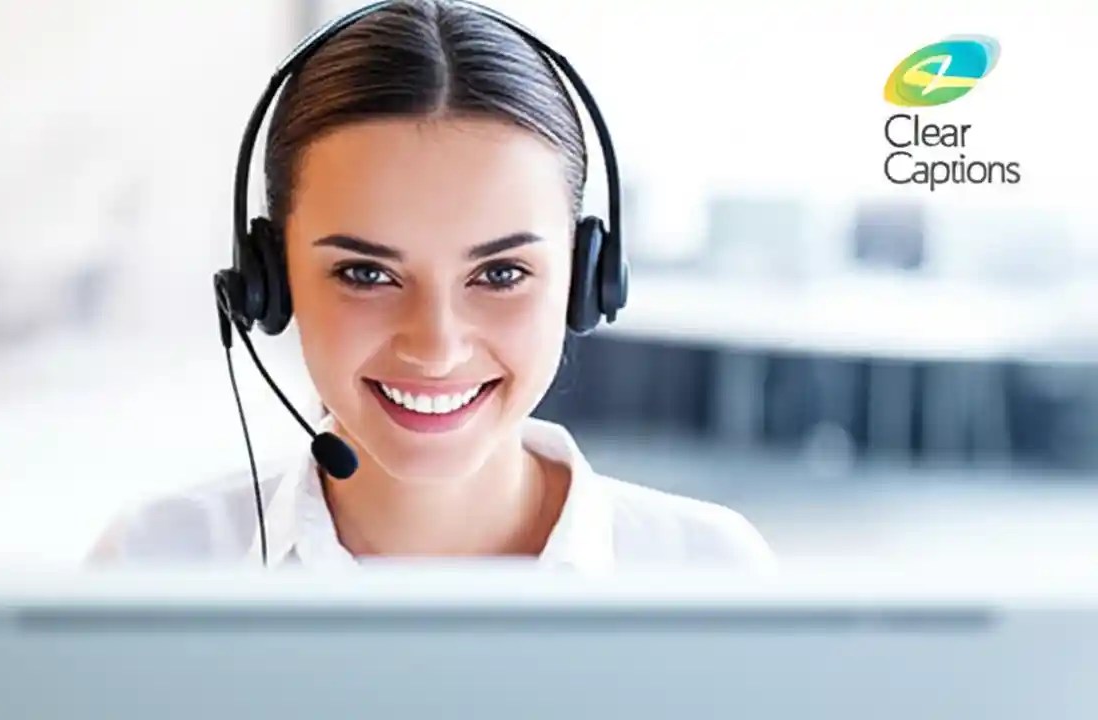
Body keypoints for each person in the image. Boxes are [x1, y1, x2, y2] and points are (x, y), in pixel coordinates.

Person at [89, 0, 773, 572]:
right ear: (270, 279)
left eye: (500, 274)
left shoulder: (710, 573)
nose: (436, 347)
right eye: (366, 274)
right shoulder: (155, 563)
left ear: (586, 278)